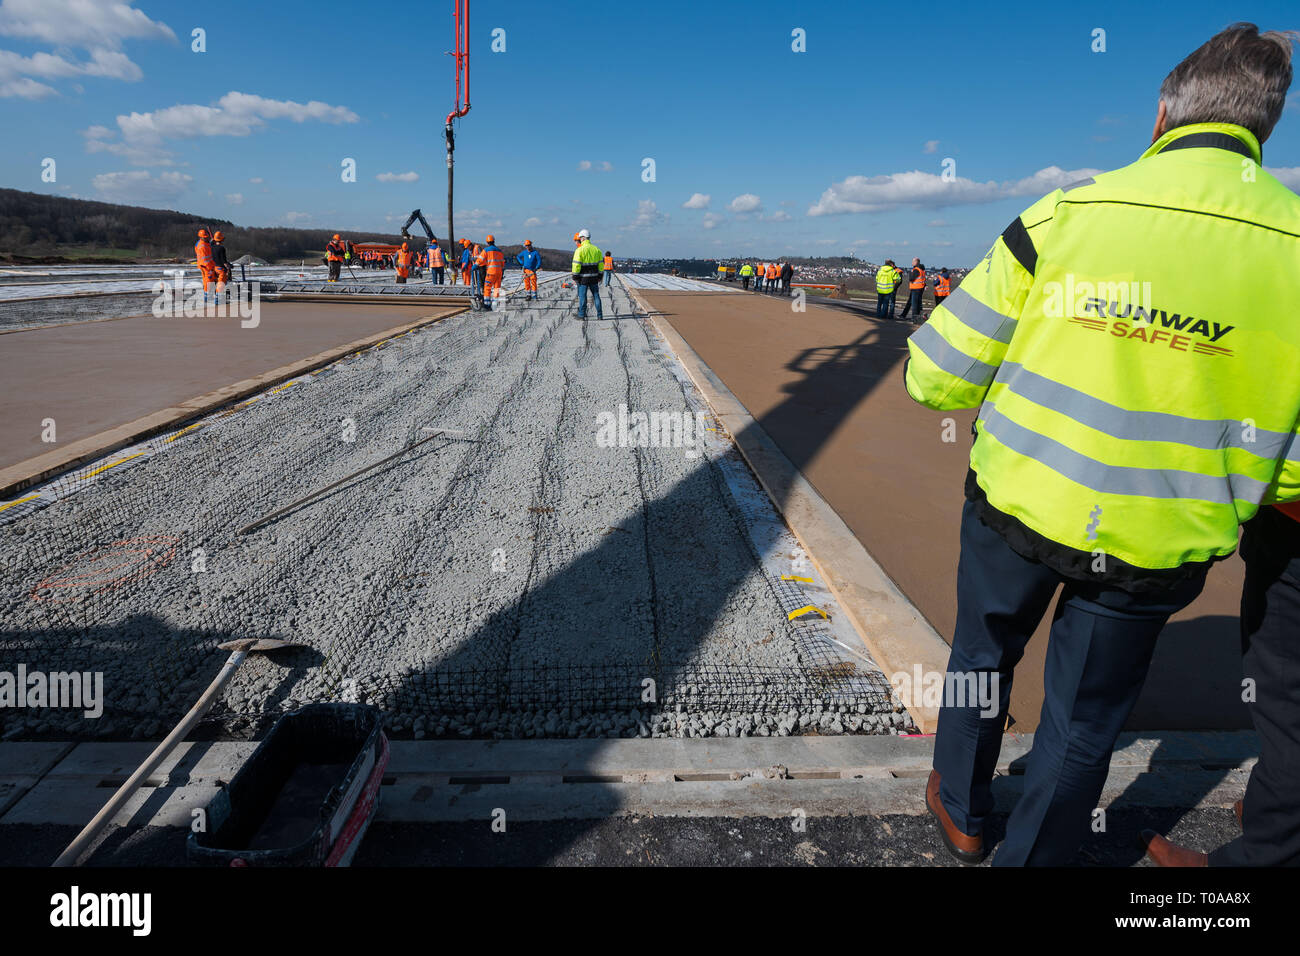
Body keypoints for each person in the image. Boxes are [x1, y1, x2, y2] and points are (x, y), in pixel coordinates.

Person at [907, 22, 1300, 867]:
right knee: (1083, 723)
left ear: (1163, 113)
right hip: (1157, 540)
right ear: (1264, 126)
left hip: (1018, 502)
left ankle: (964, 809)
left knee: (982, 657)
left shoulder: (1066, 213)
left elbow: (936, 374)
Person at [571, 228, 604, 319]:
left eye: (580, 238)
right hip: (594, 277)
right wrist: (600, 275)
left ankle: (581, 315)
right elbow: (601, 265)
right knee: (596, 295)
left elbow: (576, 265)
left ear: (583, 238)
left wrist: (575, 276)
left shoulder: (579, 250)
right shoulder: (597, 250)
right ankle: (600, 315)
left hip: (583, 279)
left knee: (582, 297)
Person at [481, 234, 505, 305]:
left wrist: (475, 265)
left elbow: (480, 260)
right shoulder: (499, 251)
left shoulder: (486, 250)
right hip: (499, 272)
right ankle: (495, 303)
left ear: (487, 242)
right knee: (497, 288)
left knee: (487, 287)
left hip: (491, 272)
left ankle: (487, 303)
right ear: (494, 241)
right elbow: (502, 263)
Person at [194, 228, 217, 303]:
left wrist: (211, 243)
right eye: (205, 237)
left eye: (207, 237)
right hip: (206, 266)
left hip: (204, 265)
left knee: (206, 281)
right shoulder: (202, 247)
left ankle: (207, 296)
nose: (207, 238)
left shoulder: (200, 243)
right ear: (201, 237)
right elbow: (206, 259)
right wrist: (211, 268)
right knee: (209, 281)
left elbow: (208, 246)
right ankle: (207, 296)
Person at [210, 230, 231, 301]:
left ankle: (215, 295)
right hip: (220, 268)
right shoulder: (222, 248)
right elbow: (223, 260)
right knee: (221, 283)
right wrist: (228, 267)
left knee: (215, 282)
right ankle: (218, 297)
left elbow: (211, 244)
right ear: (221, 240)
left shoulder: (211, 247)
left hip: (213, 268)